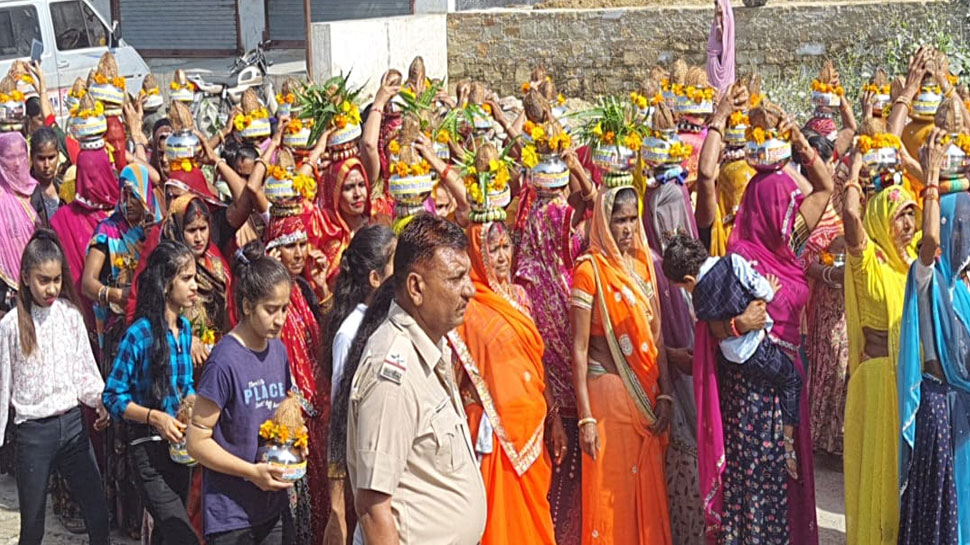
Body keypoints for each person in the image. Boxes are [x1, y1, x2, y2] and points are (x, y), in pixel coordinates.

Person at [694, 107, 830, 545]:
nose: (793, 214)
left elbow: (826, 187)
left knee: (783, 479)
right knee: (758, 481)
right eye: (787, 207)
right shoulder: (739, 258)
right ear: (769, 210)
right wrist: (740, 324)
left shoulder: (786, 246)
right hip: (751, 391)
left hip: (780, 382)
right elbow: (713, 326)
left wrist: (798, 142)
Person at [346, 213, 486, 545]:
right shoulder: (392, 373)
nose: (469, 291)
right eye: (456, 278)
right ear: (416, 288)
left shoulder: (431, 345)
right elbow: (373, 508)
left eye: (467, 276)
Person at [570, 185, 673, 545]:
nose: (628, 228)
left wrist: (666, 395)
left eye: (632, 219)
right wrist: (585, 419)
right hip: (607, 396)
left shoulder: (644, 265)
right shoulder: (589, 271)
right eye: (619, 220)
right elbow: (579, 349)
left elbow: (657, 338)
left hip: (647, 394)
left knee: (645, 487)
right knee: (611, 493)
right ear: (603, 221)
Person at [450, 219, 559, 545]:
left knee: (534, 513)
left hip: (531, 423)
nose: (501, 257)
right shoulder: (466, 306)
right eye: (492, 249)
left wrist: (554, 416)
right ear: (476, 254)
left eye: (505, 247)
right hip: (492, 431)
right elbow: (456, 374)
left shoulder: (520, 296)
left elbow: (536, 361)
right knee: (499, 518)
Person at [0, 230, 110, 545]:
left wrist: (101, 402)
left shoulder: (70, 316)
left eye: (57, 280)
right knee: (33, 526)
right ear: (25, 278)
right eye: (43, 280)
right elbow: (3, 386)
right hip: (33, 434)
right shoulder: (10, 326)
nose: (51, 288)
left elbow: (85, 372)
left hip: (73, 427)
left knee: (97, 514)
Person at [662, 234, 802, 477]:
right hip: (758, 349)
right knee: (792, 379)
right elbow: (764, 293)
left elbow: (710, 332)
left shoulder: (698, 297)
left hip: (730, 359)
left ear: (688, 279)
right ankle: (788, 442)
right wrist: (768, 291)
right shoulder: (733, 262)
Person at [186, 242, 295, 545]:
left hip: (273, 509)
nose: (280, 319)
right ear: (247, 306)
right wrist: (250, 472)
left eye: (285, 308)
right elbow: (196, 441)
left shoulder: (278, 350)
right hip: (231, 516)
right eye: (270, 310)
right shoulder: (224, 361)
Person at [512, 149, 591, 545]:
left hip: (541, 398)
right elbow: (592, 210)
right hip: (567, 399)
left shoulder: (523, 279)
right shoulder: (567, 281)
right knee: (567, 482)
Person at [841, 151, 919, 545]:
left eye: (911, 215)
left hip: (909, 381)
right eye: (899, 216)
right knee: (881, 476)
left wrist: (921, 169)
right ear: (881, 221)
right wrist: (855, 171)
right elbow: (850, 216)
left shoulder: (915, 264)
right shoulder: (870, 262)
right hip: (878, 382)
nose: (908, 224)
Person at [102, 240, 201, 545]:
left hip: (180, 451)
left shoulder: (185, 330)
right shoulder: (139, 334)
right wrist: (155, 417)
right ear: (166, 284)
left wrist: (193, 403)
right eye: (186, 278)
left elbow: (186, 386)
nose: (195, 286)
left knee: (166, 534)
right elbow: (113, 396)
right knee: (182, 534)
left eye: (194, 277)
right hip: (147, 449)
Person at [897, 127, 967, 543]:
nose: (963, 236)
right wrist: (932, 181)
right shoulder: (927, 277)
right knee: (942, 507)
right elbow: (932, 240)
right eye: (958, 227)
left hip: (965, 404)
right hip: (939, 403)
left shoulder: (964, 285)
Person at [323, 224, 396, 545]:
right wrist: (337, 508)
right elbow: (339, 422)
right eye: (396, 263)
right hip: (370, 474)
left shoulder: (399, 319)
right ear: (375, 278)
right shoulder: (349, 334)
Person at [263, 210, 328, 545]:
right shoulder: (273, 300)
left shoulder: (302, 290)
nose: (300, 253)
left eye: (303, 243)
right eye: (290, 246)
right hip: (289, 411)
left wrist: (323, 287)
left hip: (315, 407)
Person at [799, 132, 849, 456]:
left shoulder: (844, 194)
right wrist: (830, 274)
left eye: (829, 160)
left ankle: (839, 440)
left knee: (844, 365)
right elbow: (803, 259)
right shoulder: (808, 201)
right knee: (828, 362)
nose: (828, 168)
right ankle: (819, 438)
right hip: (821, 298)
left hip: (847, 298)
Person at [0, 132, 38, 314]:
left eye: (21, 156)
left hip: (37, 278)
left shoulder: (36, 191)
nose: (16, 164)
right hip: (4, 288)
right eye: (9, 157)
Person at [28, 128, 62, 228]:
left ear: (58, 155)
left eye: (51, 157)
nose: (47, 165)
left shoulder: (63, 188)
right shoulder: (27, 194)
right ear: (32, 156)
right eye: (41, 158)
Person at [707, 0, 735, 96]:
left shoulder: (721, 11)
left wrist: (718, 26)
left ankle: (717, 89)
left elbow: (719, 10)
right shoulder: (728, 15)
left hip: (718, 38)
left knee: (713, 56)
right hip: (722, 28)